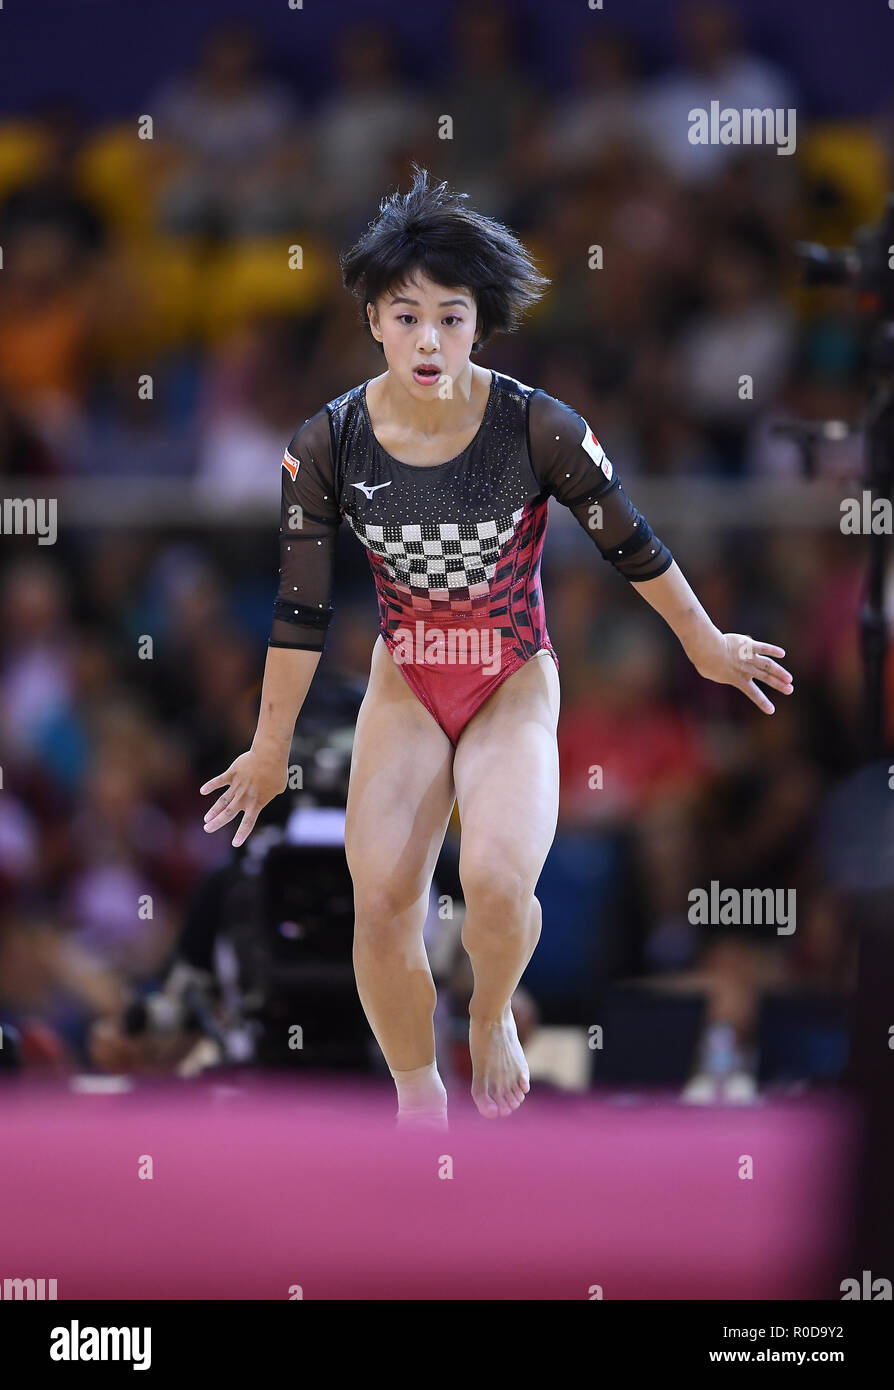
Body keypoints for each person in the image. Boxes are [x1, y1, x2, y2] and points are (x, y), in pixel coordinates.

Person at [200, 166, 794, 1128]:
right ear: (371, 322)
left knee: (495, 884)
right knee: (383, 902)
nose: (428, 340)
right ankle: (414, 1093)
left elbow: (633, 543)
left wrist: (705, 640)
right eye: (405, 317)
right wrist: (271, 748)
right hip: (405, 681)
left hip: (513, 676)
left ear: (482, 322)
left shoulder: (536, 426)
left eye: (451, 317)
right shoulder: (328, 445)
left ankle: (491, 1018)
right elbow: (300, 609)